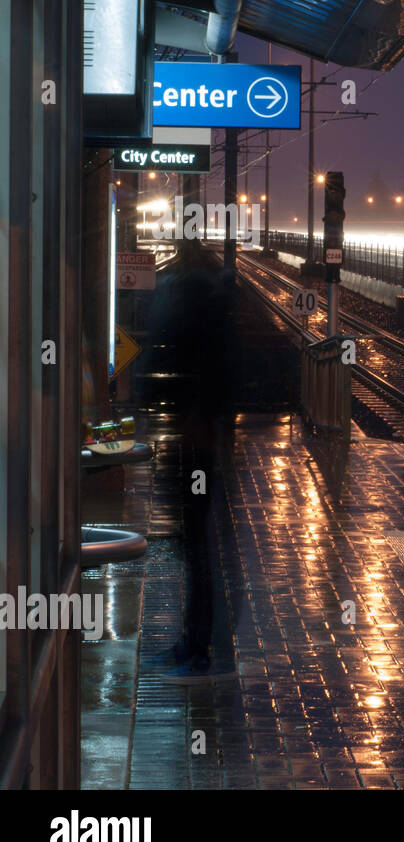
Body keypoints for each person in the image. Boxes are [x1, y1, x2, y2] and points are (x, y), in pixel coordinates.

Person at [148, 237, 237, 681]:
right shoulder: (212, 305)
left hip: (194, 439)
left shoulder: (194, 308)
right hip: (198, 437)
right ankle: (195, 641)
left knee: (198, 548)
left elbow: (194, 372)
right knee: (197, 545)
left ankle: (201, 647)